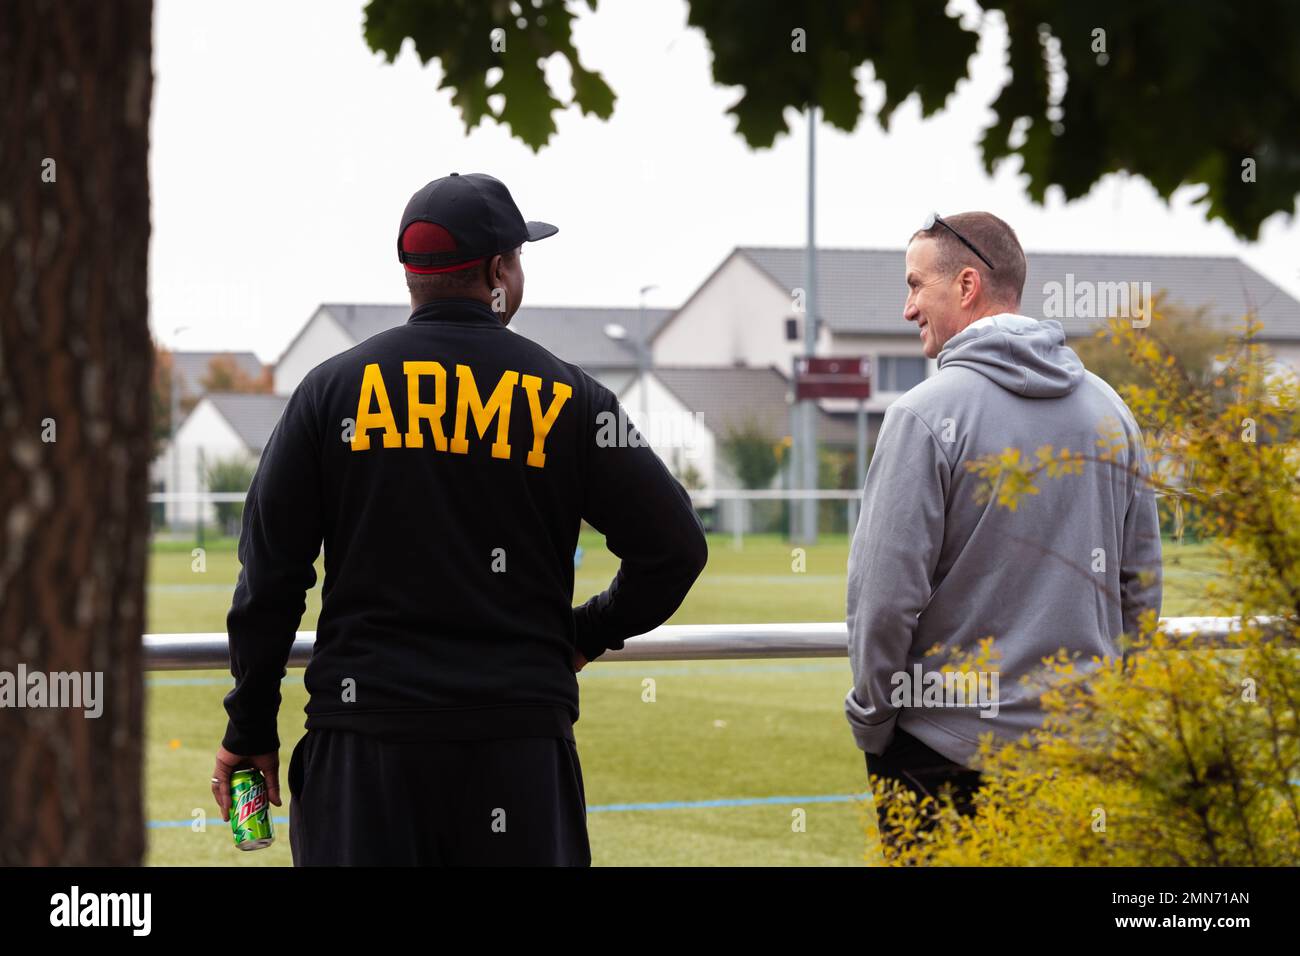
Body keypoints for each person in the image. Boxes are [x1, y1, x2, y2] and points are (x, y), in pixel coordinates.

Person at [210, 172, 708, 865]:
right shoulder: (570, 394)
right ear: (498, 271)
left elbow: (268, 578)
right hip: (519, 749)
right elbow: (675, 549)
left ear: (413, 275)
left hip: (363, 753)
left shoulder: (329, 391)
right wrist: (583, 634)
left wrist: (248, 725)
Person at [845, 211, 1162, 820]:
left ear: (966, 286)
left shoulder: (920, 415)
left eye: (915, 285)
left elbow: (882, 601)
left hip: (940, 750)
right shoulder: (1111, 411)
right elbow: (1141, 589)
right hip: (1082, 751)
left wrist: (874, 721)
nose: (907, 308)